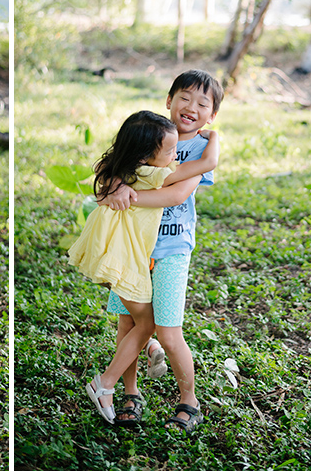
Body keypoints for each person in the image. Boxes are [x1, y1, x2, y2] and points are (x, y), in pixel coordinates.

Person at [71, 110, 219, 426]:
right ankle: (113, 386)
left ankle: (139, 385)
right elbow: (205, 165)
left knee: (146, 325)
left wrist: (122, 190)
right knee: (141, 324)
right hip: (133, 257)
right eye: (169, 151)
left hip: (134, 254)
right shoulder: (154, 172)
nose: (175, 155)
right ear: (147, 156)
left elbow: (108, 180)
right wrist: (216, 138)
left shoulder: (123, 170)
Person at [104, 69, 223, 433]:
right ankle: (130, 393)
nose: (192, 107)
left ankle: (190, 400)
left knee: (169, 332)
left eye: (203, 103)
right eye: (185, 97)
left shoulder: (202, 146)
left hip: (171, 248)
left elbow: (175, 194)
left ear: (212, 114)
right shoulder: (148, 133)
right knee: (128, 324)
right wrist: (113, 184)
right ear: (169, 100)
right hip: (134, 248)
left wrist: (128, 195)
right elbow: (113, 166)